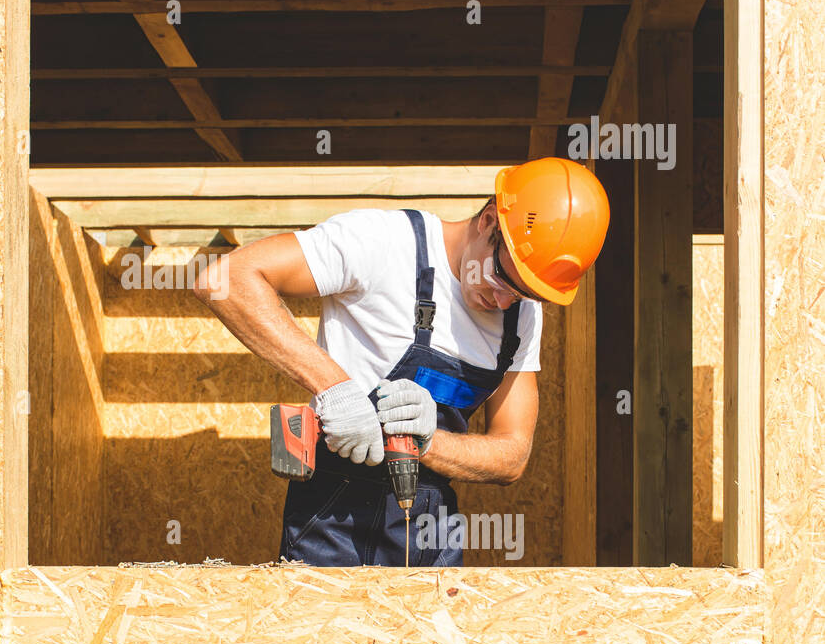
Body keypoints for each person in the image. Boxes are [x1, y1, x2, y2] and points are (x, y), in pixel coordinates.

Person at [193, 157, 610, 566]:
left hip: (430, 525)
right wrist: (336, 390)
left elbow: (512, 455)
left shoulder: (520, 317)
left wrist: (426, 443)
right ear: (487, 222)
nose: (503, 300)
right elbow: (225, 280)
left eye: (523, 293)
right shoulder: (385, 243)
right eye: (502, 278)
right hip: (333, 519)